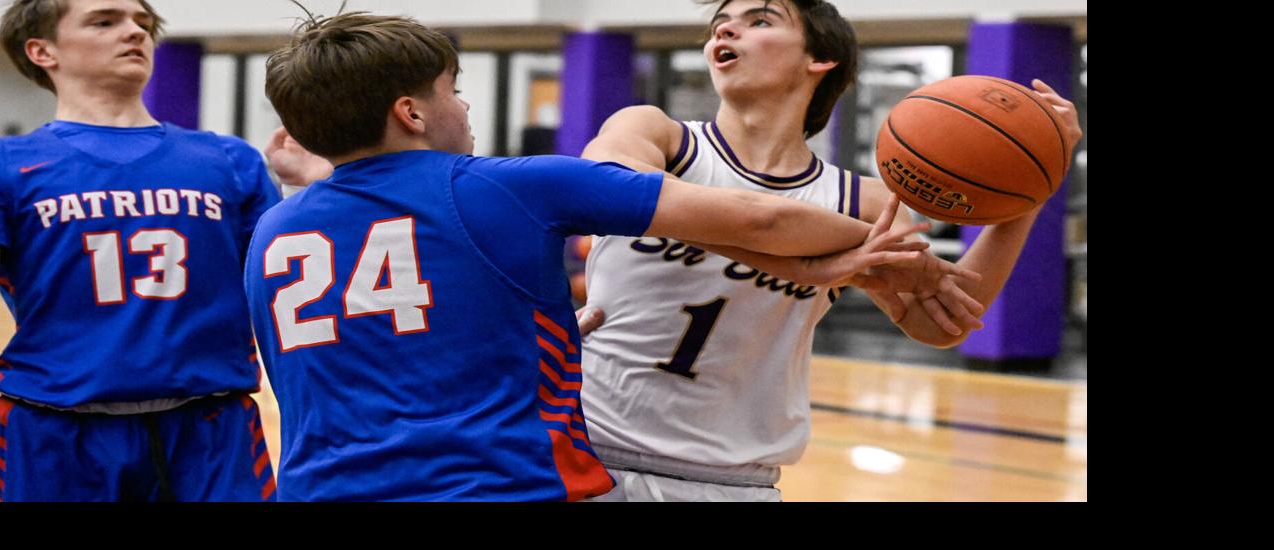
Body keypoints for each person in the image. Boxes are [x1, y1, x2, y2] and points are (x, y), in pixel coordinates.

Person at [247, 11, 965, 502]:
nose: (463, 109)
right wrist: (876, 255)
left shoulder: (274, 234)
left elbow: (397, 324)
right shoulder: (509, 185)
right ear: (411, 112)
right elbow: (765, 216)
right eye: (453, 93)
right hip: (488, 483)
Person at [574, 0, 1083, 501]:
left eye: (758, 21)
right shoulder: (652, 133)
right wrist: (826, 262)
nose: (724, 35)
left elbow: (940, 320)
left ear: (820, 59)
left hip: (732, 476)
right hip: (584, 447)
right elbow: (682, 204)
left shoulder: (865, 202)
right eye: (719, 26)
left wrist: (1030, 188)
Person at [0, 0, 282, 501]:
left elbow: (277, 297)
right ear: (42, 50)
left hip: (210, 427)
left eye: (142, 23)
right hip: (57, 432)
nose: (134, 32)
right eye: (105, 21)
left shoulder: (229, 160)